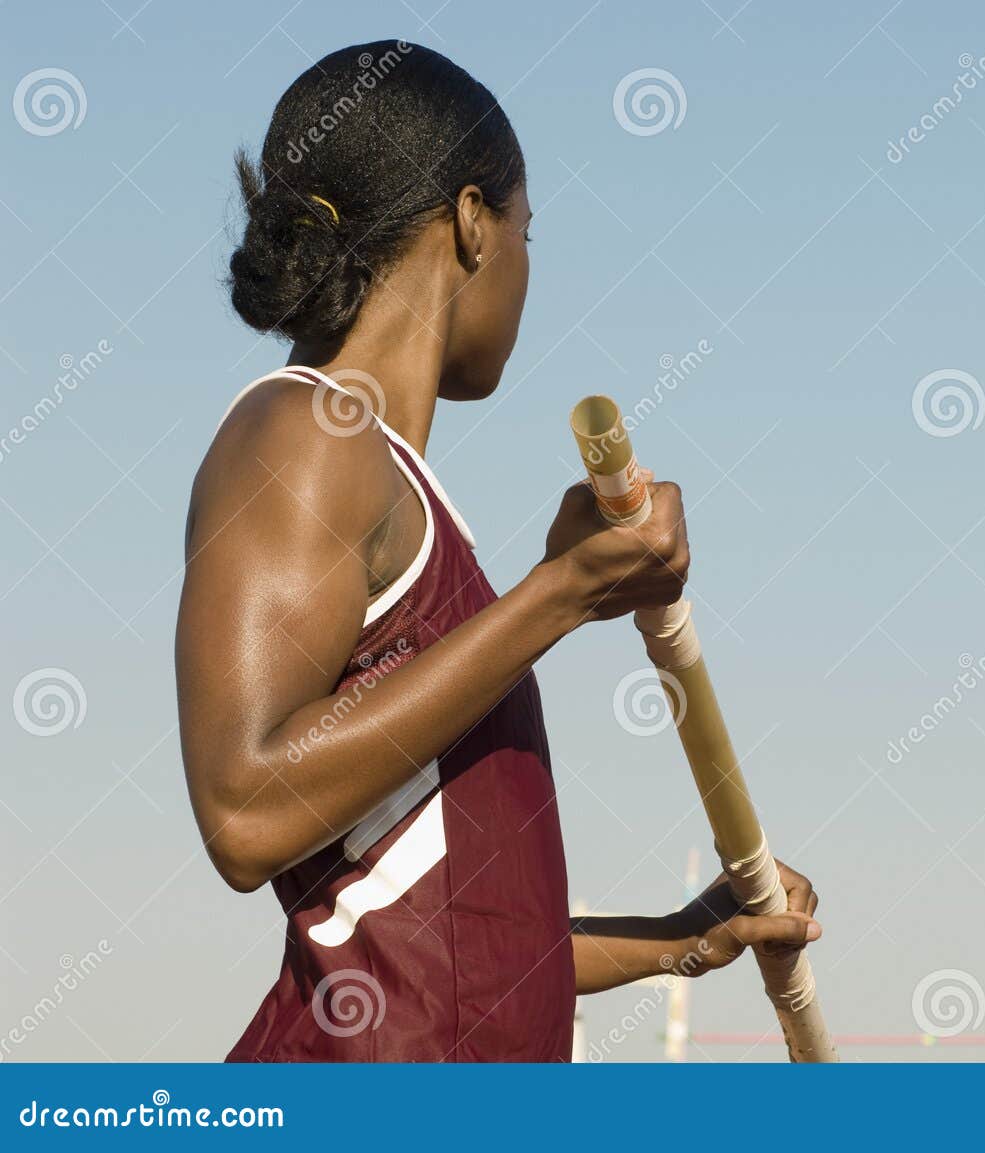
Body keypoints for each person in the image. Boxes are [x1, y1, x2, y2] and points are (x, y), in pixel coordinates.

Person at [175, 41, 820, 1061]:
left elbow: (459, 935)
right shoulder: (306, 434)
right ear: (472, 224)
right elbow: (245, 809)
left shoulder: (406, 495)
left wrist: (682, 939)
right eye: (527, 230)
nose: (527, 264)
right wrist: (558, 598)